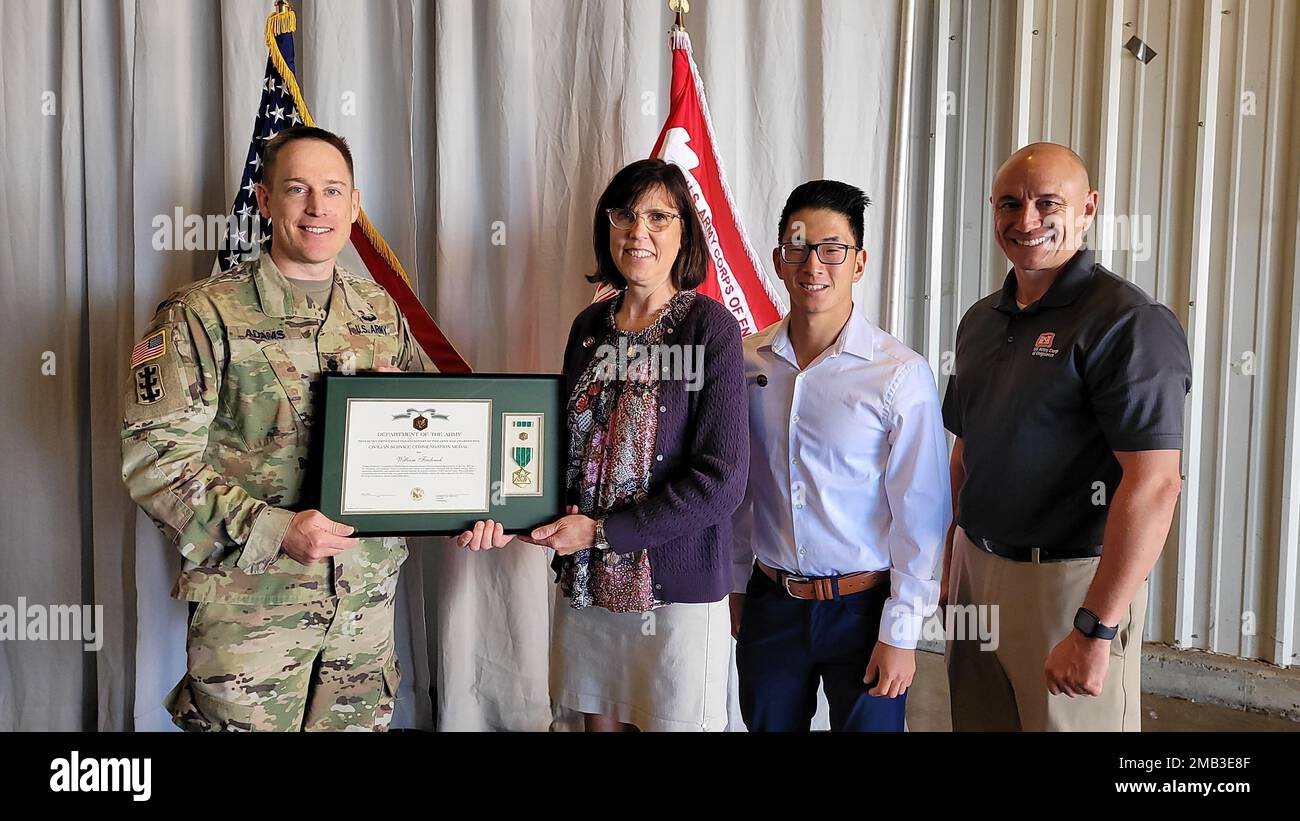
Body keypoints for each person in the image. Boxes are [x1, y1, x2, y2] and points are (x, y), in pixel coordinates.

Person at [122, 126, 429, 731]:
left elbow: (431, 437)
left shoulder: (381, 311)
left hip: (363, 616)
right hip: (252, 615)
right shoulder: (199, 313)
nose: (318, 208)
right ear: (264, 201)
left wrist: (479, 505)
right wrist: (274, 527)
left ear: (355, 204)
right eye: (298, 189)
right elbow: (155, 461)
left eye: (333, 190)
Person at [459, 158, 748, 732]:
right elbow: (560, 455)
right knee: (596, 726)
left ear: (684, 231)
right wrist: (506, 513)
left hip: (673, 593)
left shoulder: (709, 328)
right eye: (625, 214)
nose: (638, 231)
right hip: (589, 582)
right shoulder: (588, 327)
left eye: (659, 216)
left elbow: (722, 482)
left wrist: (603, 532)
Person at [941, 142, 1191, 731]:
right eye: (1009, 203)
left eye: (1047, 203)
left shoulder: (1129, 322)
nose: (1026, 221)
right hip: (977, 569)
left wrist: (1097, 626)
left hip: (1069, 584)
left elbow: (1155, 485)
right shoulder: (980, 320)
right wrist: (951, 561)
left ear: (1088, 209)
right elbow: (965, 451)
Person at [730, 180, 950, 731]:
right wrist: (737, 586)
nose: (814, 264)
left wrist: (901, 632)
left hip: (864, 607)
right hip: (771, 602)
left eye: (833, 248)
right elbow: (737, 485)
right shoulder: (745, 361)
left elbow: (921, 513)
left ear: (860, 261)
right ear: (780, 260)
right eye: (798, 247)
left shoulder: (898, 374)